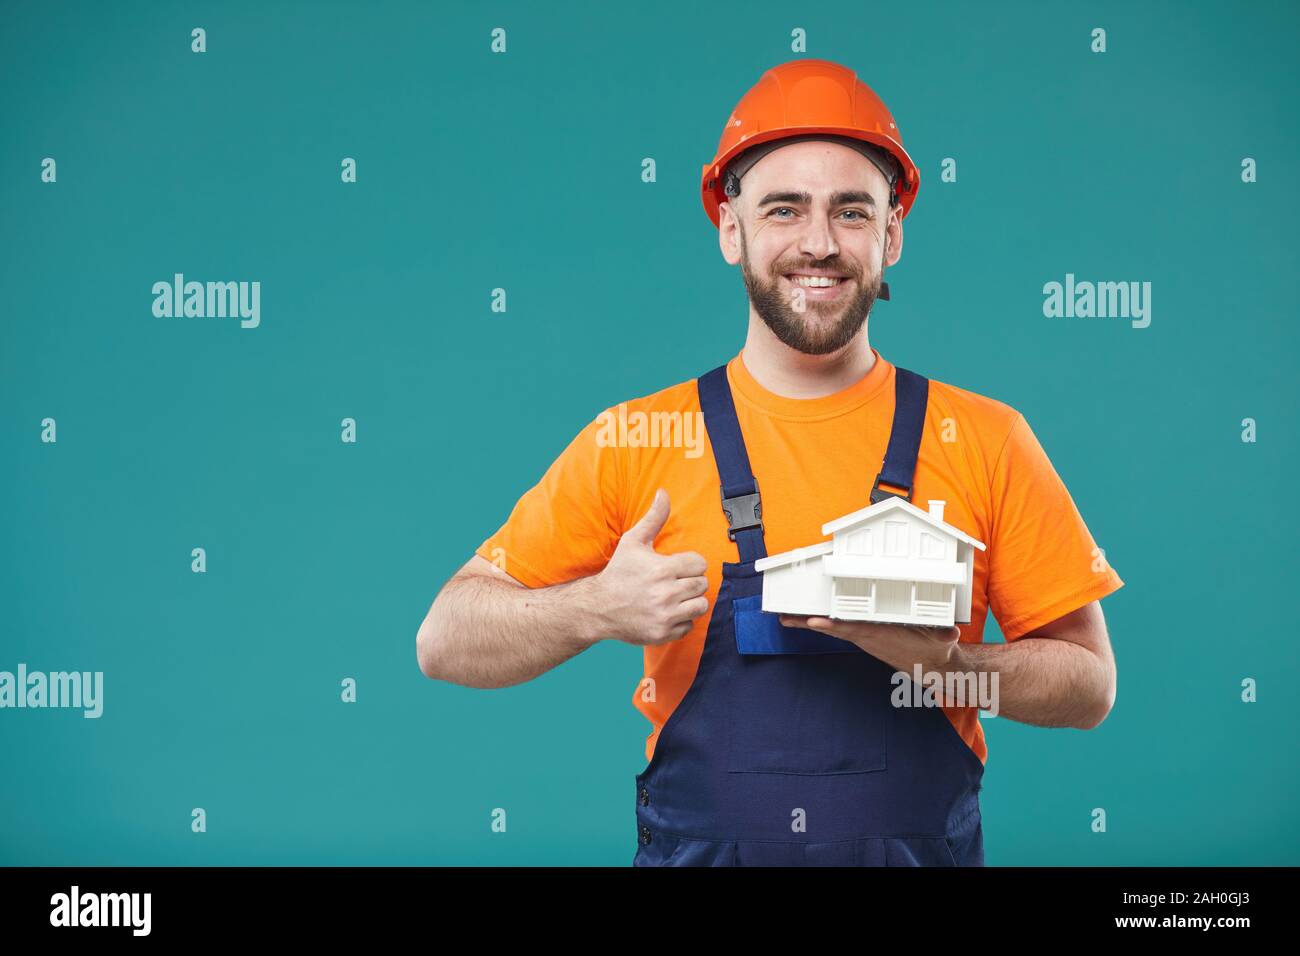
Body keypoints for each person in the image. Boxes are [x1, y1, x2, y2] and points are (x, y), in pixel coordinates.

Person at [416, 58, 1123, 866]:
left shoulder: (987, 438)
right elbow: (444, 639)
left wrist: (950, 666)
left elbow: (1089, 688)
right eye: (784, 209)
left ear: (892, 232)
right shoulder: (638, 438)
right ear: (731, 228)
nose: (818, 243)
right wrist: (593, 611)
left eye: (851, 211)